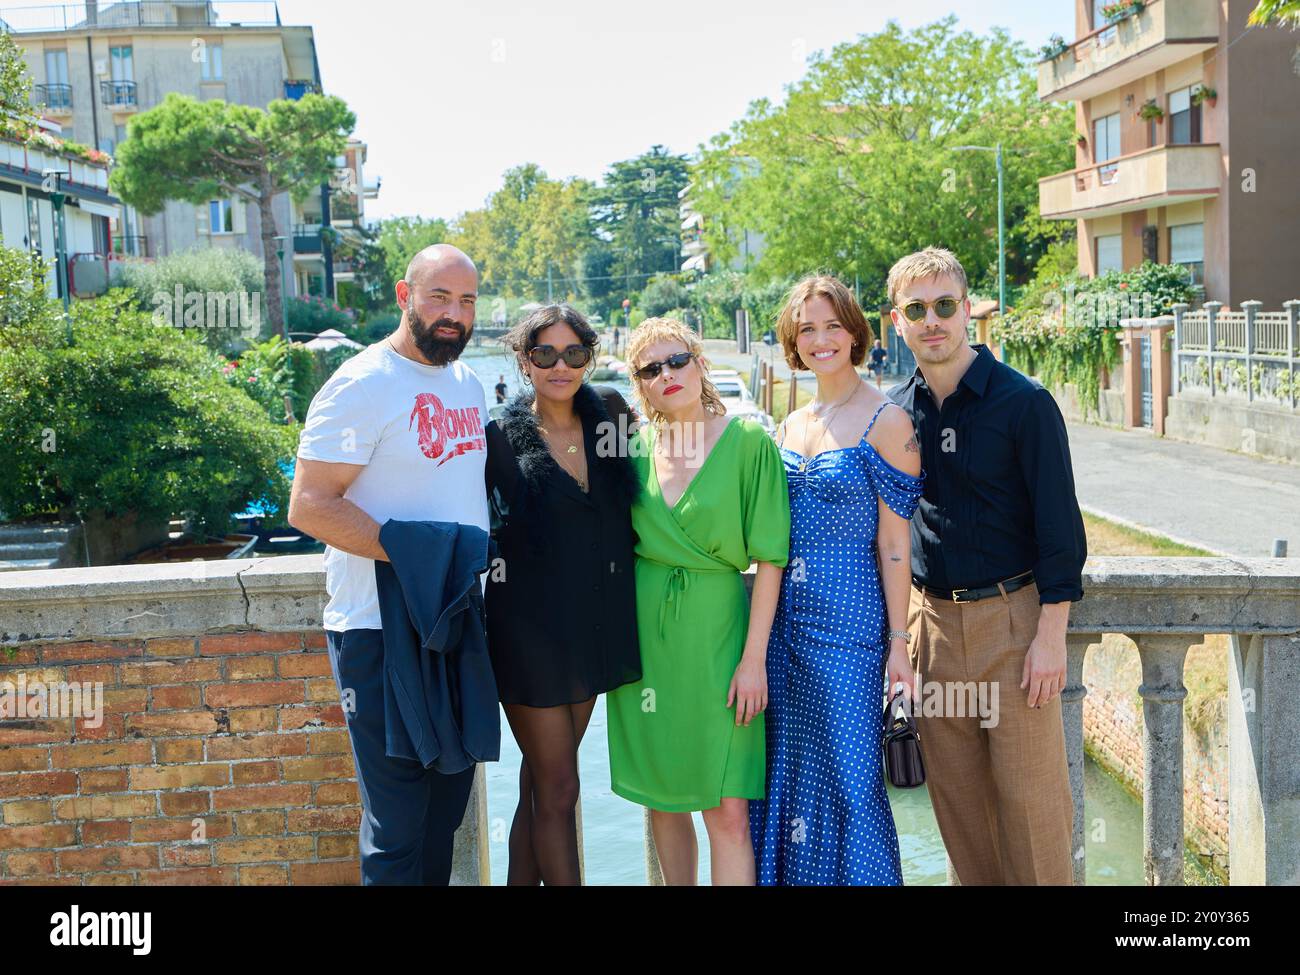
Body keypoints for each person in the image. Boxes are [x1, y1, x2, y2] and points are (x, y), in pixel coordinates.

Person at [287, 243, 488, 885]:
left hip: (455, 623)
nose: (454, 314)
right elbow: (310, 506)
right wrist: (421, 559)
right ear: (405, 296)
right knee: (396, 826)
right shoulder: (361, 384)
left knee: (445, 815)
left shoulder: (468, 383)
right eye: (439, 297)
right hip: (378, 629)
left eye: (466, 301)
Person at [886, 246, 1087, 886]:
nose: (932, 320)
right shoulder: (894, 416)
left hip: (1014, 628)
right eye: (917, 310)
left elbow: (1061, 532)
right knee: (963, 825)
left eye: (945, 305)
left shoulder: (1024, 403)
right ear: (898, 322)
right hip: (932, 634)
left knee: (1035, 821)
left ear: (967, 310)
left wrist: (1049, 637)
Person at [748, 275, 922, 885]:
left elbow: (895, 546)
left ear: (855, 332)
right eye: (807, 330)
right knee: (788, 778)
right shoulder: (792, 422)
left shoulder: (887, 419)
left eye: (831, 326)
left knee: (853, 783)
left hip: (851, 630)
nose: (820, 340)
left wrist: (898, 647)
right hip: (784, 631)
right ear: (794, 342)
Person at [605, 317, 790, 886]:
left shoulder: (749, 442)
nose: (668, 374)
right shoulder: (632, 446)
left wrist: (753, 660)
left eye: (678, 360)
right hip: (647, 642)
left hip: (721, 638)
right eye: (651, 369)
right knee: (664, 799)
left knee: (727, 808)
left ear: (700, 362)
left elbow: (771, 559)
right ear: (640, 383)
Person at [484, 304, 643, 886]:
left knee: (539, 787)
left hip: (593, 626)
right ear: (525, 360)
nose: (560, 365)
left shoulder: (613, 414)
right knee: (560, 786)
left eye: (573, 353)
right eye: (545, 354)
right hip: (528, 633)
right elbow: (470, 524)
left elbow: (655, 484)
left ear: (588, 358)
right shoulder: (498, 435)